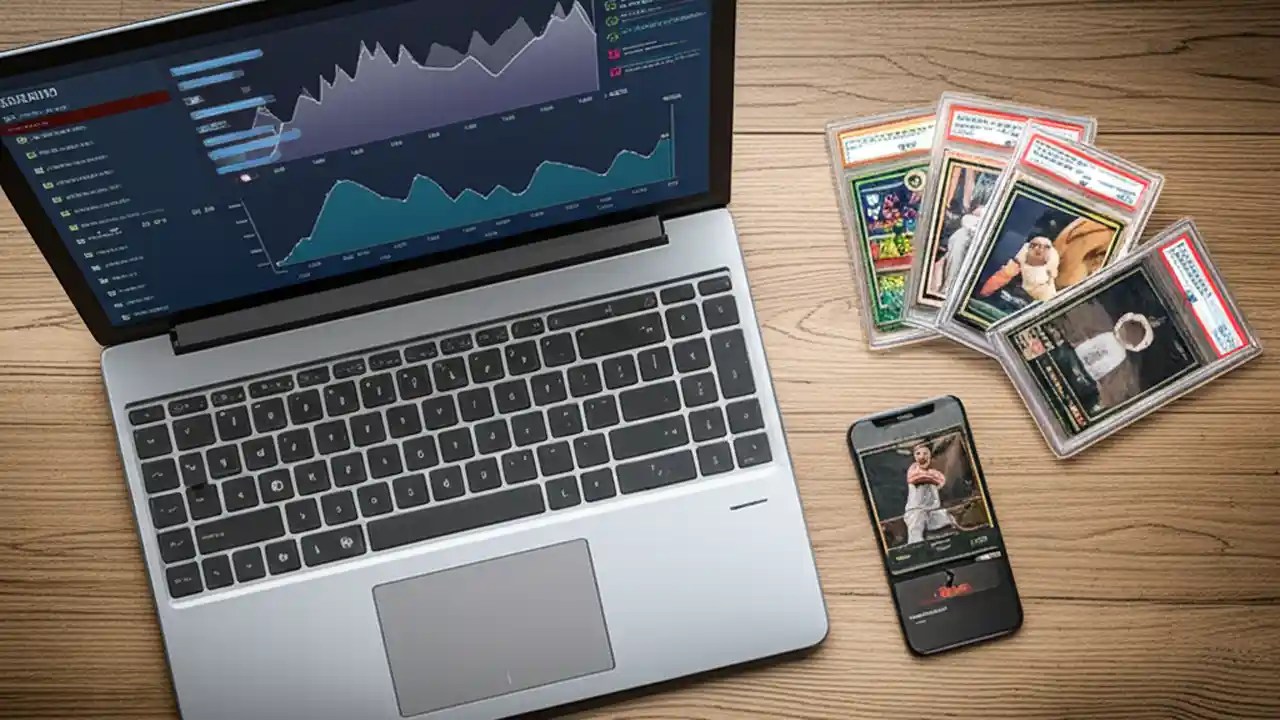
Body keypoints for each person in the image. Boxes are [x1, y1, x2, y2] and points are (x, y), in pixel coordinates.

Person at [903, 442, 958, 545]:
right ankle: (917, 550)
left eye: (925, 453)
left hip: (932, 511)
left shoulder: (934, 473)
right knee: (915, 532)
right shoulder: (913, 470)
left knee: (949, 519)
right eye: (918, 454)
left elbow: (941, 481)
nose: (922, 456)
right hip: (916, 512)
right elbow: (919, 478)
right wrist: (935, 478)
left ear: (929, 455)